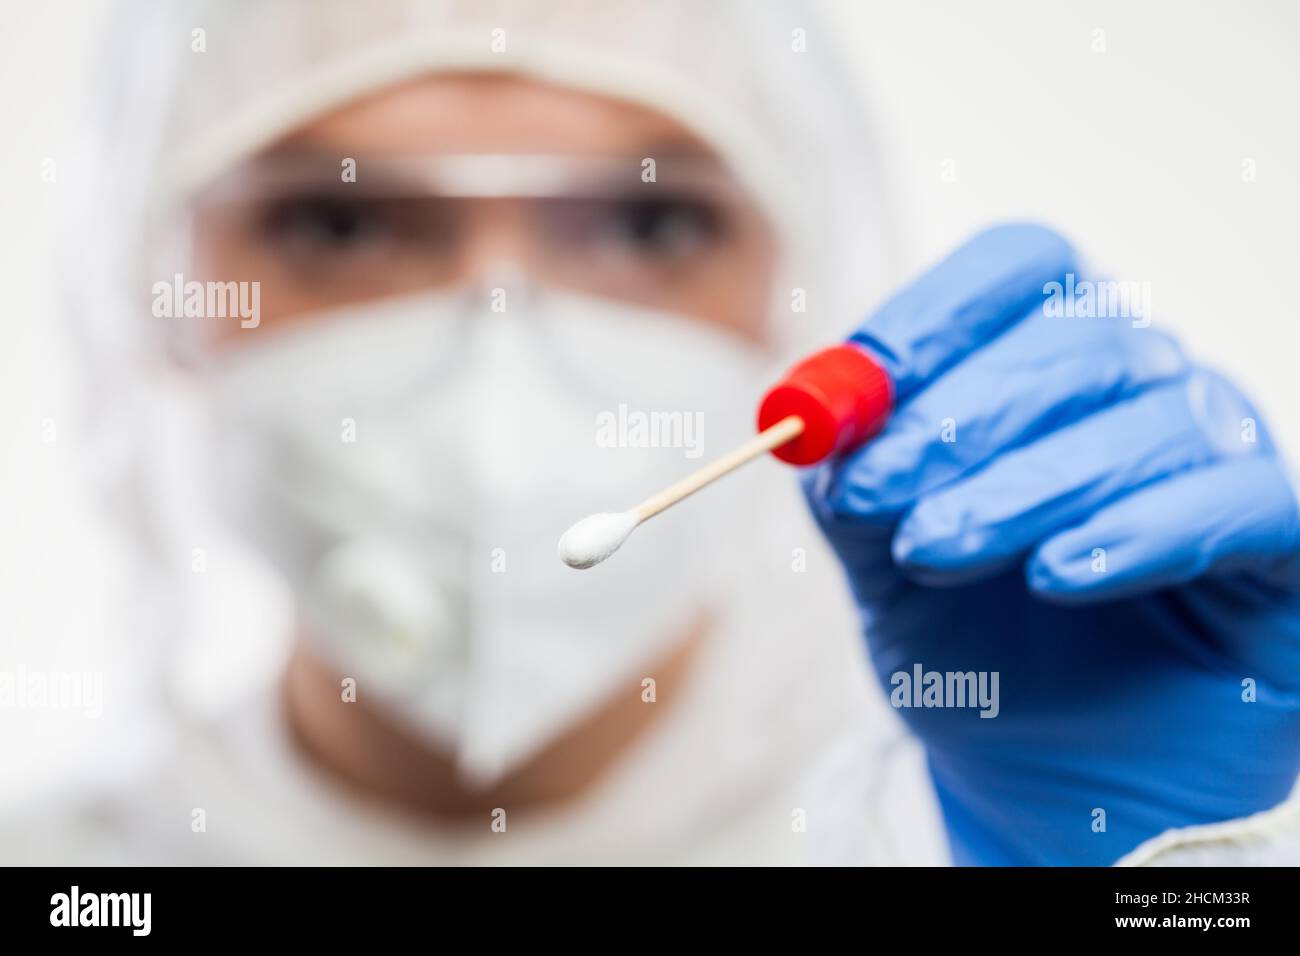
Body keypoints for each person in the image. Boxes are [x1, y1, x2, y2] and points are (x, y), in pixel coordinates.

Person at [6, 0, 1299, 867]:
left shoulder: (944, 828)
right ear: (155, 300)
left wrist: (1156, 881)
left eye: (648, 226)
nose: (496, 349)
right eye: (343, 228)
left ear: (799, 286)